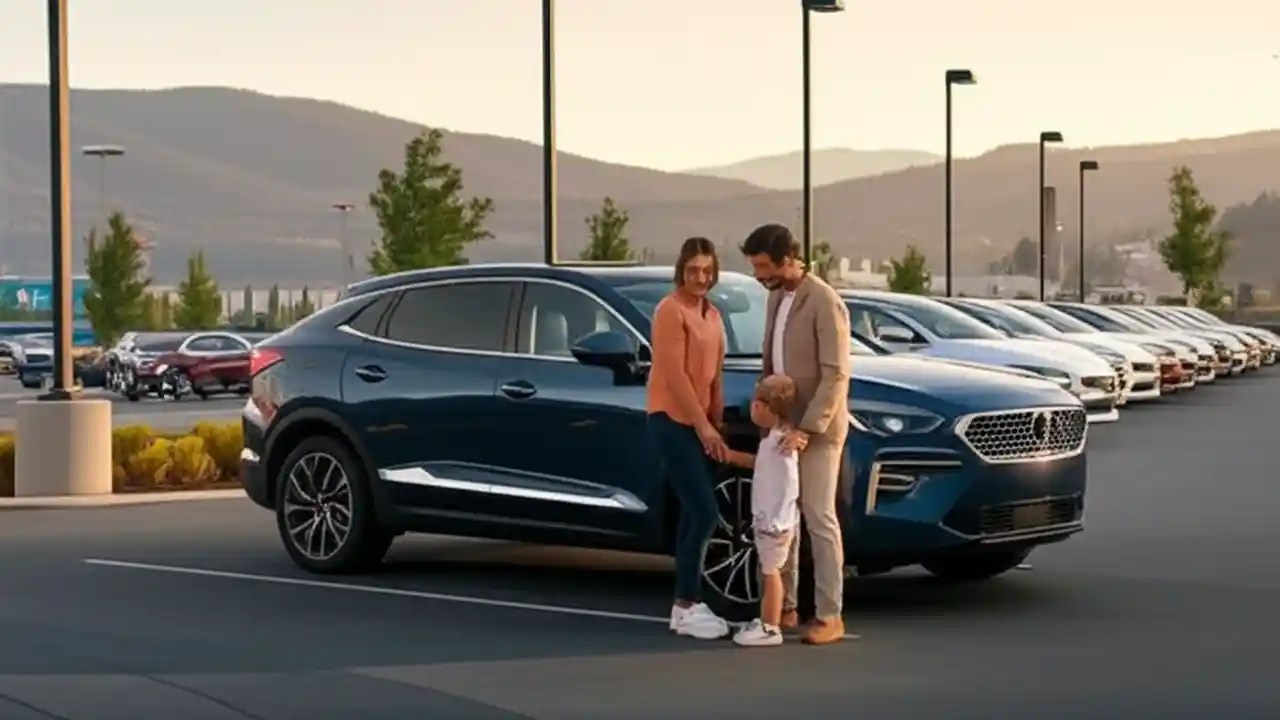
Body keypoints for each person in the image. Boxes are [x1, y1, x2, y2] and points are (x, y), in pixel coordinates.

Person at [740, 223, 852, 646]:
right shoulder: (774, 298)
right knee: (780, 513)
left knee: (818, 516)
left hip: (818, 430)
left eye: (764, 265)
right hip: (782, 425)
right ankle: (784, 606)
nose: (758, 274)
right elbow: (771, 361)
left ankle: (829, 614)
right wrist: (765, 406)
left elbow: (836, 373)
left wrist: (807, 429)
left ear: (788, 259)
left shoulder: (825, 301)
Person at [647, 236, 732, 640]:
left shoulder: (712, 315)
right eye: (693, 270)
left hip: (700, 422)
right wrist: (702, 427)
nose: (700, 277)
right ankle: (687, 603)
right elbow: (674, 376)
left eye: (706, 270)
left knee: (690, 513)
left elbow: (715, 373)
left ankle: (684, 608)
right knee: (704, 511)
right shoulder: (669, 311)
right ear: (681, 269)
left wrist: (717, 423)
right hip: (671, 419)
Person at [724, 374, 801, 647]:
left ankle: (771, 627)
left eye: (757, 403)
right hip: (771, 520)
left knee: (771, 573)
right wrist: (731, 456)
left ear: (769, 409)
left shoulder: (781, 446)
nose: (752, 408)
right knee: (771, 571)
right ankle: (768, 621)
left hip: (774, 523)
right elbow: (760, 465)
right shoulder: (772, 442)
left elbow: (787, 484)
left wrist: (776, 519)